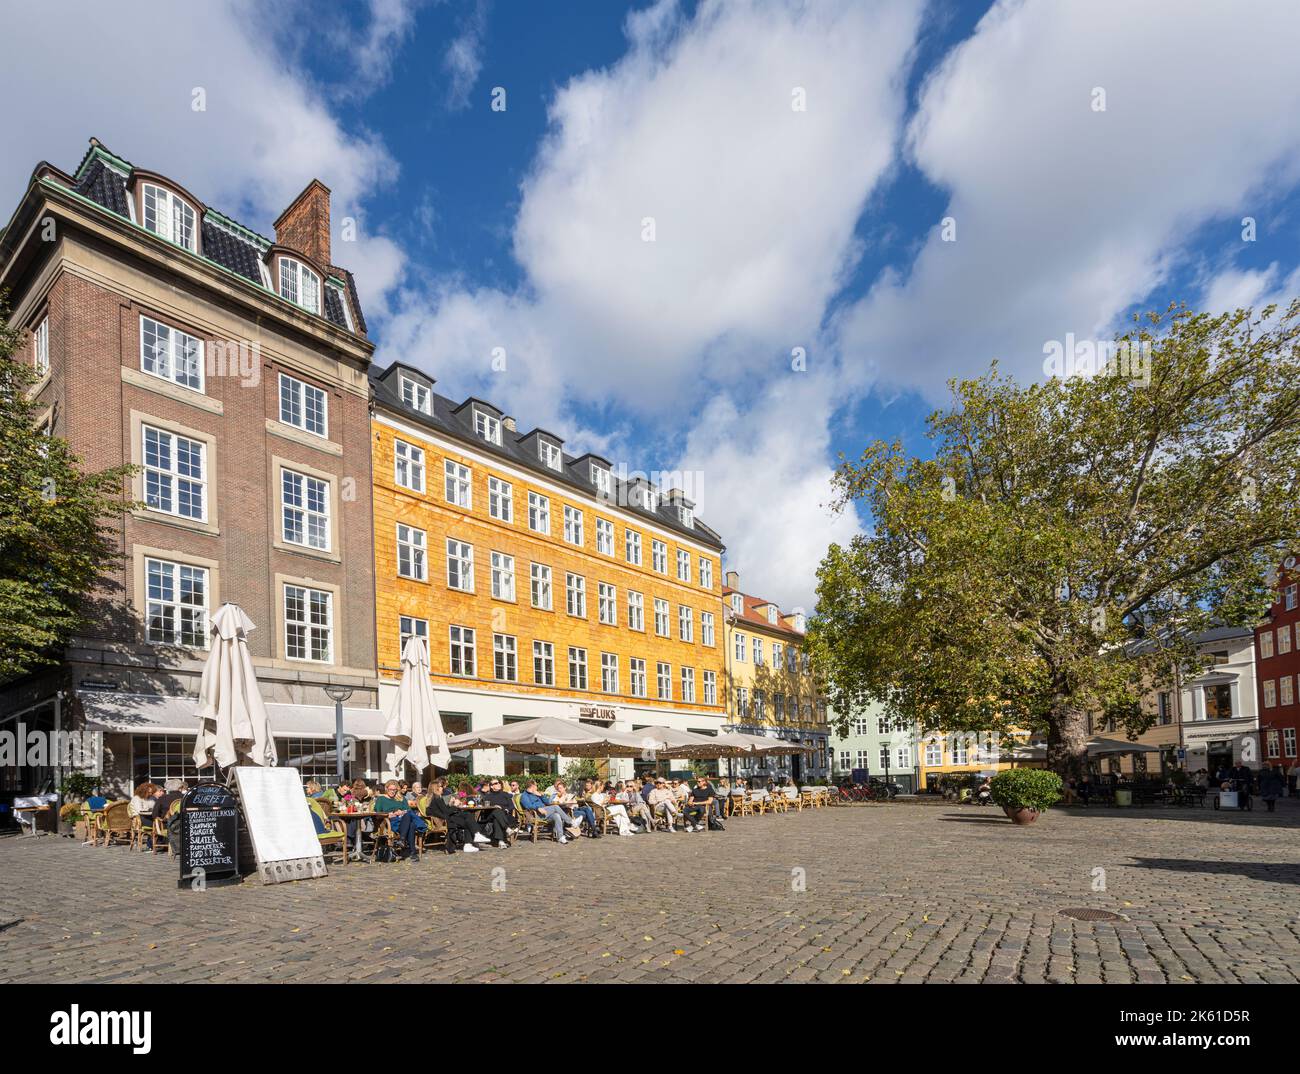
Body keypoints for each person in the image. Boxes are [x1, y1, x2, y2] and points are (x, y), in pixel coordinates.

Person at [424, 778, 502, 850]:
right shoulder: (437, 799)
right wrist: (455, 805)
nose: (442, 788)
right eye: (440, 786)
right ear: (436, 788)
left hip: (446, 818)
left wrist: (451, 804)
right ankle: (472, 839)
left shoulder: (436, 798)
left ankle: (473, 839)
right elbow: (446, 812)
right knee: (468, 818)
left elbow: (444, 810)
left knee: (467, 815)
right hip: (445, 820)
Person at [374, 779, 428, 861]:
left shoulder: (401, 798)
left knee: (409, 818)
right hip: (390, 822)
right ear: (386, 789)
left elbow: (407, 810)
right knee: (411, 821)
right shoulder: (381, 799)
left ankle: (402, 840)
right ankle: (413, 850)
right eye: (390, 789)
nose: (392, 791)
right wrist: (391, 814)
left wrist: (401, 812)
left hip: (403, 821)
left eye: (394, 790)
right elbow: (377, 814)